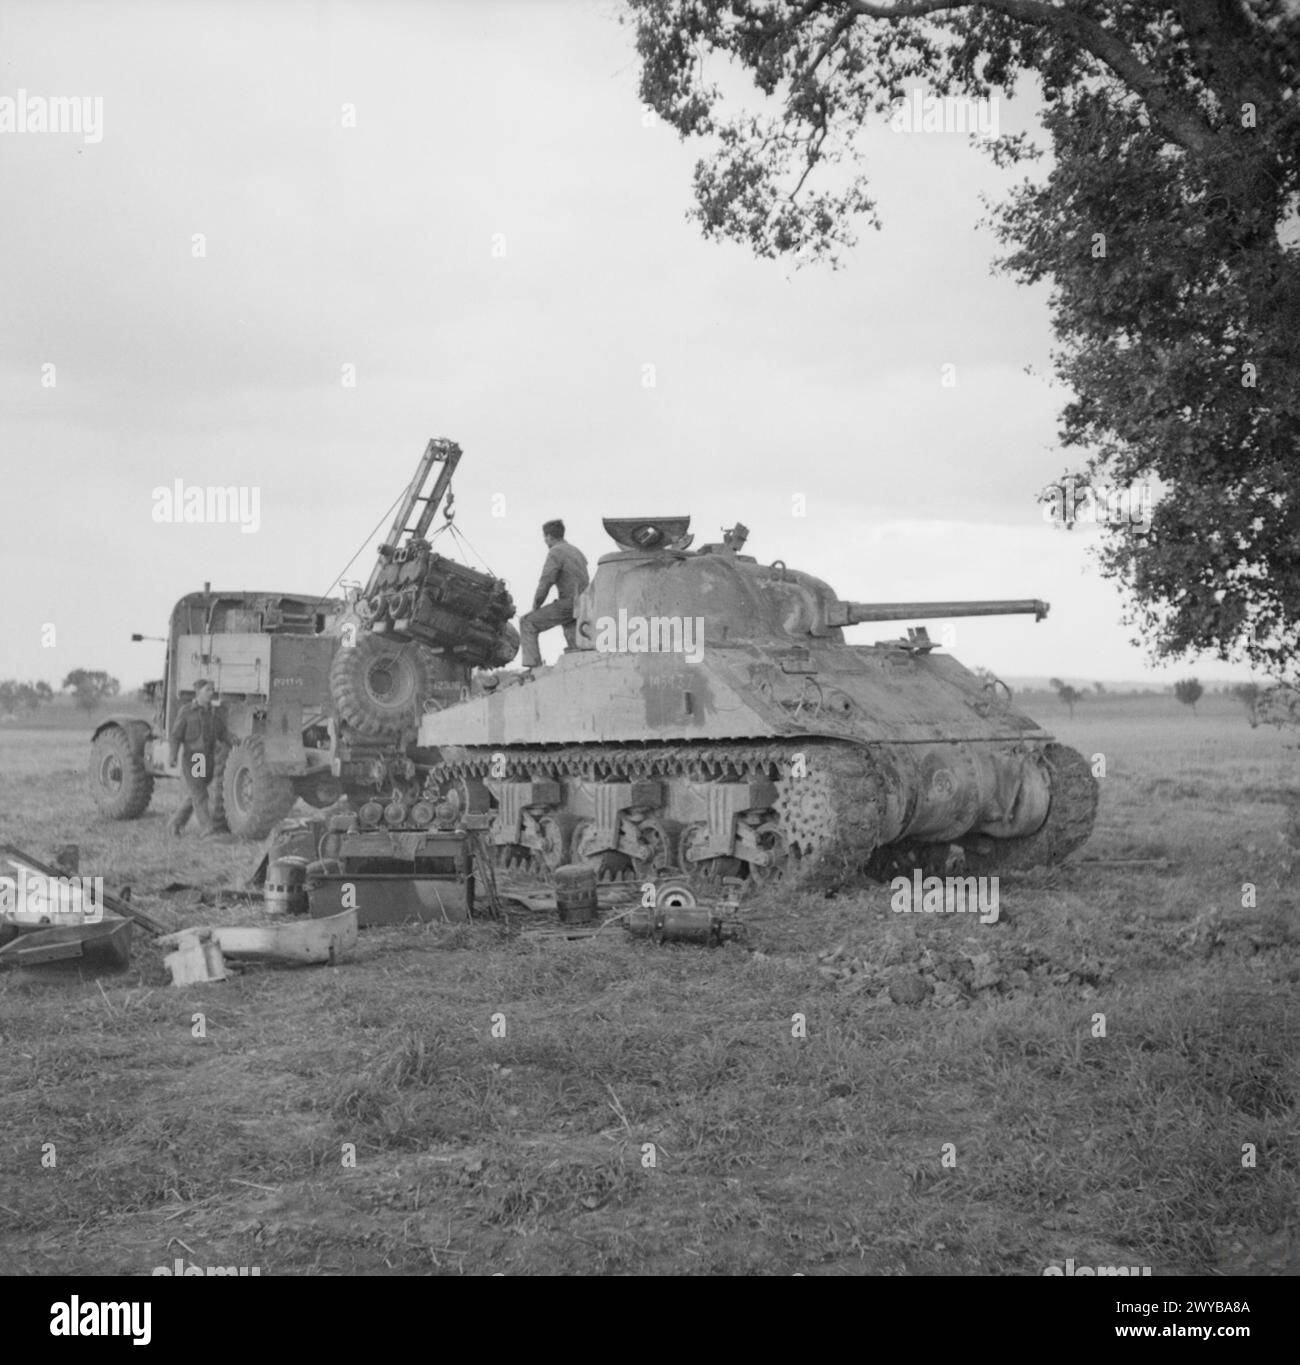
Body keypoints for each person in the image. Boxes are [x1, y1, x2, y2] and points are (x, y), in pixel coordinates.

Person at [519, 519, 589, 669]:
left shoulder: (555, 552)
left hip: (570, 603)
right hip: (584, 603)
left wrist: (536, 606)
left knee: (527, 622)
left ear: (549, 537)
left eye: (545, 538)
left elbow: (546, 581)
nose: (545, 541)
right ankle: (577, 663)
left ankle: (534, 669)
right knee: (573, 636)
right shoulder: (577, 552)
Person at [167, 679, 230, 836]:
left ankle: (175, 824)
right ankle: (207, 828)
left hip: (208, 759)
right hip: (194, 758)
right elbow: (175, 735)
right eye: (208, 689)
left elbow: (223, 733)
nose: (211, 693)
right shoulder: (187, 711)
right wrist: (173, 755)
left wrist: (236, 741)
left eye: (212, 689)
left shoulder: (213, 713)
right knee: (200, 793)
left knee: (195, 793)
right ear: (198, 692)